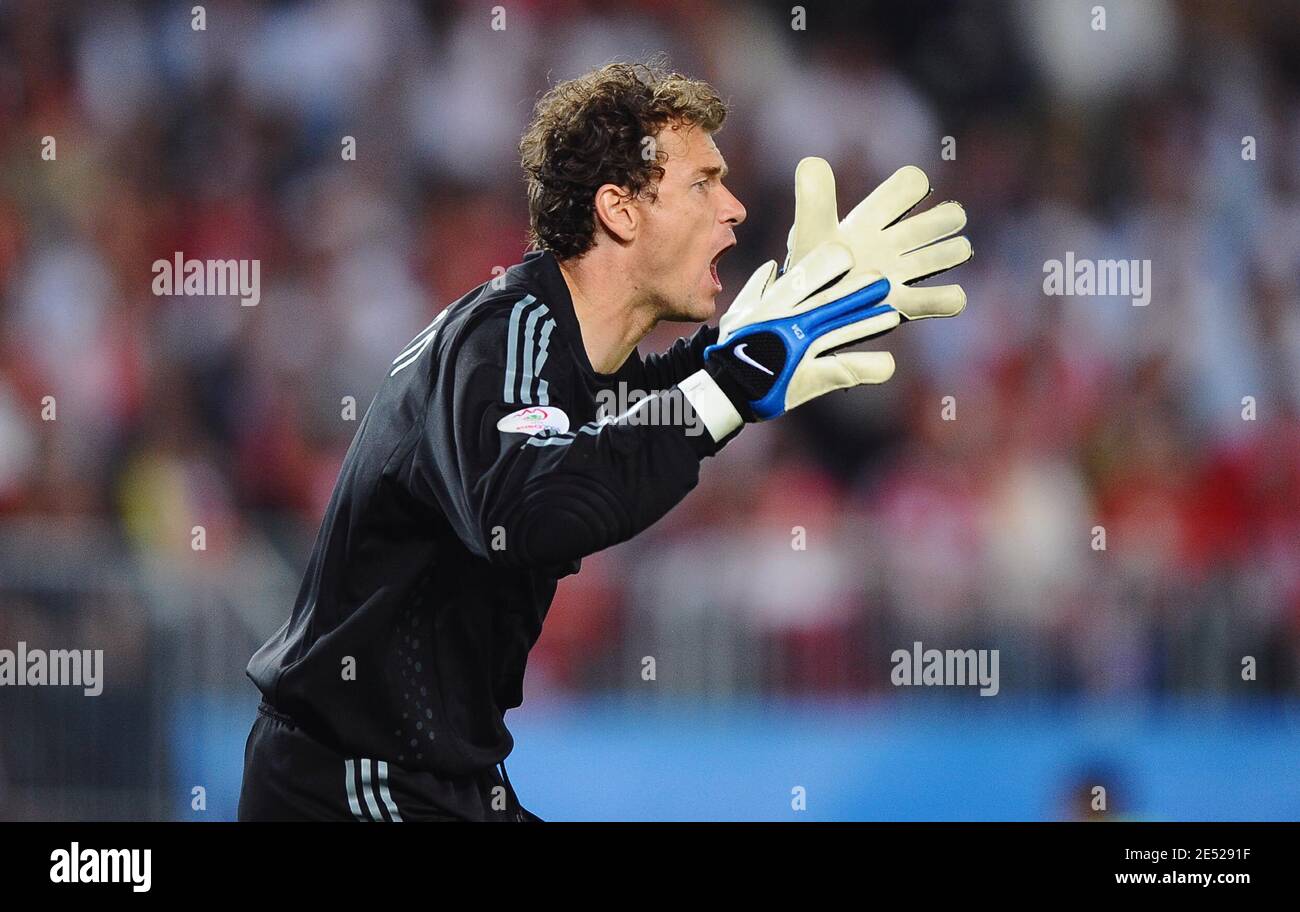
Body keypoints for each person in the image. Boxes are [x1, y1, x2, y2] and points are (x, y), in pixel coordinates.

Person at [238, 59, 971, 821]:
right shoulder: (510, 332)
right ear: (619, 210)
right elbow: (529, 511)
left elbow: (630, 416)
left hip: (428, 779)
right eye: (702, 183)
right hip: (353, 781)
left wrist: (737, 355)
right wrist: (731, 380)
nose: (734, 207)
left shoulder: (550, 351)